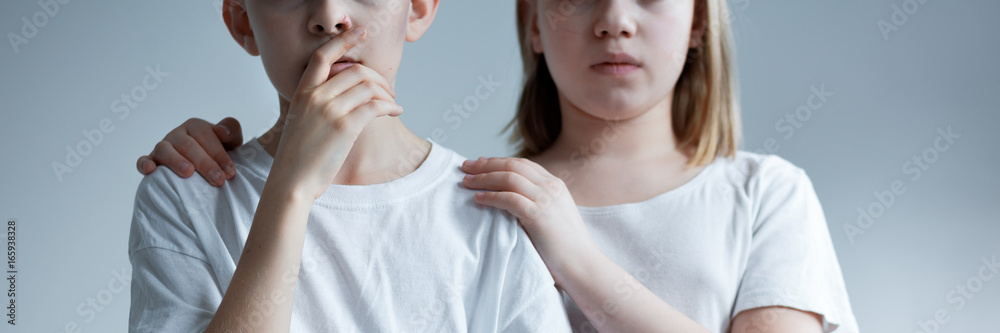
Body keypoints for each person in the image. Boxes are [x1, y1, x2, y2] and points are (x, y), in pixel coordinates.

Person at [137, 0, 859, 332]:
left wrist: (574, 252)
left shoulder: (765, 191)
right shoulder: (495, 194)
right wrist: (285, 184)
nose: (614, 20)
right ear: (534, 23)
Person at [127, 0, 572, 332]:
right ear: (243, 21)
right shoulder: (185, 194)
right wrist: (290, 189)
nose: (330, 15)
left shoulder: (493, 208)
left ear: (416, 9)